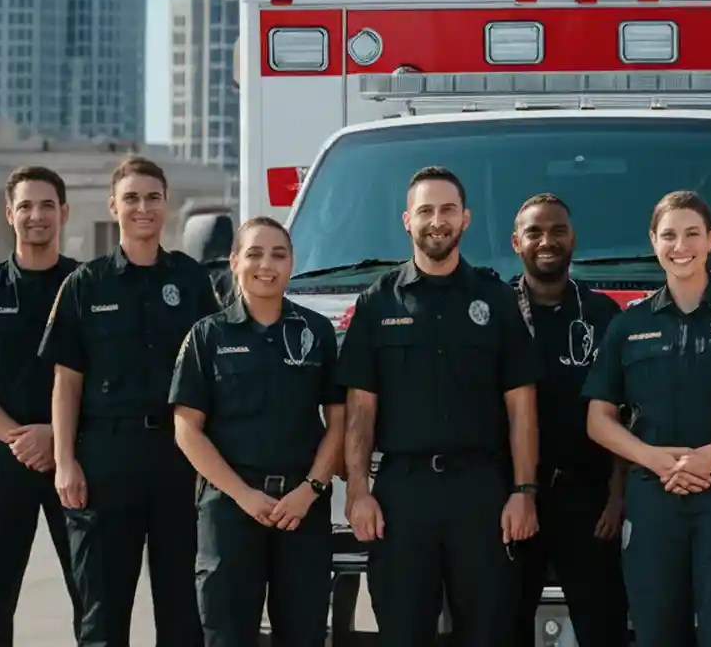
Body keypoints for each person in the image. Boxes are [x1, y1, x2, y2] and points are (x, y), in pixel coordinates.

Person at [335, 165, 542, 646]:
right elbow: (360, 409)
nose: (437, 220)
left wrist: (524, 490)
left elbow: (522, 406)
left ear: (465, 219)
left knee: (488, 631)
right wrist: (358, 491)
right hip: (403, 495)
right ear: (407, 221)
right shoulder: (377, 303)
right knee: (403, 631)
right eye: (425, 210)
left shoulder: (496, 300)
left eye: (447, 209)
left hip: (481, 492)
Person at [582, 190, 711, 647]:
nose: (681, 246)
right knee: (657, 630)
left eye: (692, 234)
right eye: (670, 235)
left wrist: (708, 458)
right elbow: (598, 419)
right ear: (653, 242)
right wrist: (655, 460)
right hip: (652, 498)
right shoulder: (628, 324)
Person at [39, 156, 220, 646]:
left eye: (153, 197)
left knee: (184, 610)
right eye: (132, 198)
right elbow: (66, 382)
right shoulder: (85, 284)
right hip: (105, 459)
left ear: (167, 205)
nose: (143, 207)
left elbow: (214, 377)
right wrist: (64, 463)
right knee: (102, 610)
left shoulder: (191, 281)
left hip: (177, 461)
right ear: (113, 206)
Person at [170, 217, 346, 646]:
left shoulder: (316, 332)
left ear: (291, 265)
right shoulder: (206, 336)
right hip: (231, 511)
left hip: (300, 512)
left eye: (278, 255)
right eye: (254, 254)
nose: (266, 265)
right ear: (234, 262)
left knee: (303, 635)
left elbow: (339, 422)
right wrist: (242, 494)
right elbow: (187, 430)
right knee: (226, 635)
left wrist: (310, 489)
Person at [0, 166, 83, 646]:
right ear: (10, 214)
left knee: (92, 598)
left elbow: (107, 379)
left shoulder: (86, 289)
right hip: (2, 462)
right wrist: (20, 438)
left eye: (47, 205)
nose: (36, 216)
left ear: (63, 212)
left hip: (75, 459)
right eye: (25, 206)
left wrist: (56, 436)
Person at [506, 194, 630, 647]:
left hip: (588, 500)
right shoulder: (496, 312)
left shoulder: (603, 315)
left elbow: (624, 410)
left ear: (573, 238)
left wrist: (617, 496)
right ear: (516, 241)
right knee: (505, 626)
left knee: (604, 626)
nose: (547, 241)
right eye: (534, 232)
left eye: (557, 230)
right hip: (513, 500)